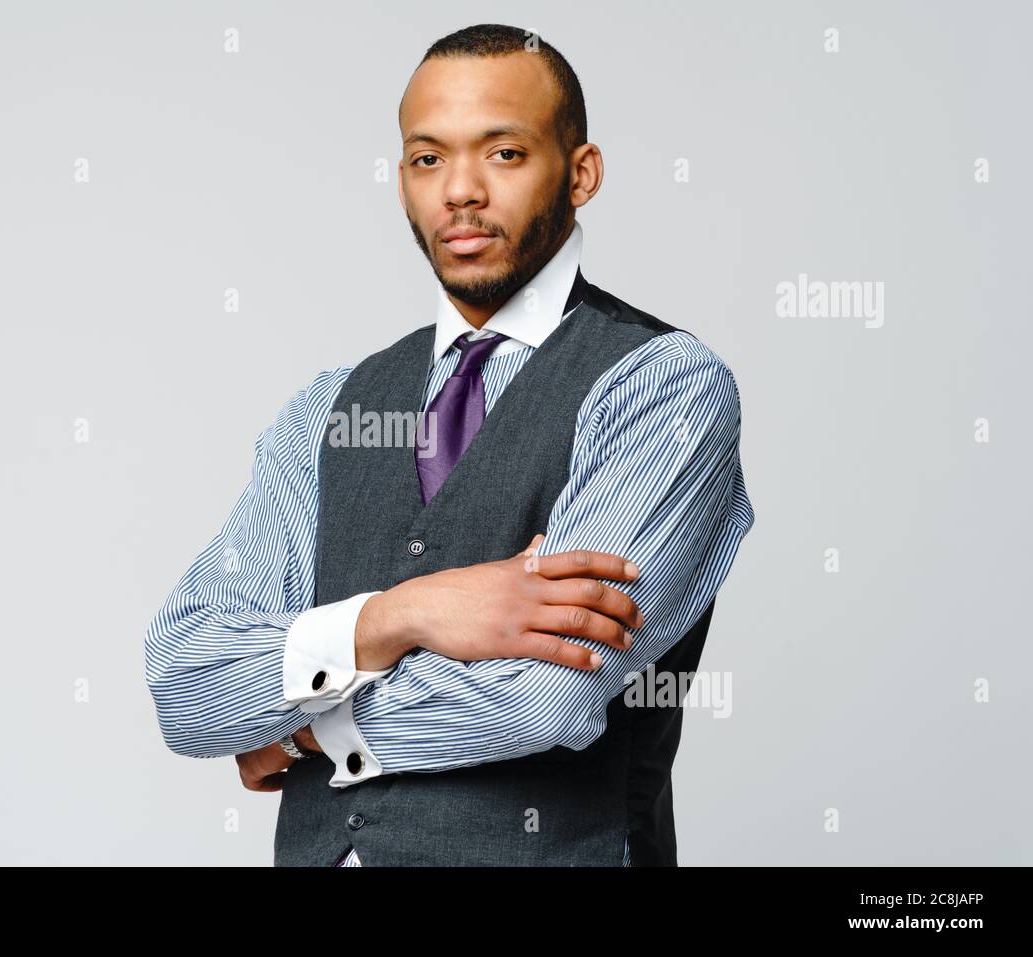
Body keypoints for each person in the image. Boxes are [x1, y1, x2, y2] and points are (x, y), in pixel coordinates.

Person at [145, 22, 755, 866]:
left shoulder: (660, 387)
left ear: (580, 174)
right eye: (428, 159)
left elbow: (547, 697)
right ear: (401, 179)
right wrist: (405, 612)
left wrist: (300, 734)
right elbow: (187, 683)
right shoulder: (332, 405)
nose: (459, 191)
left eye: (503, 153)